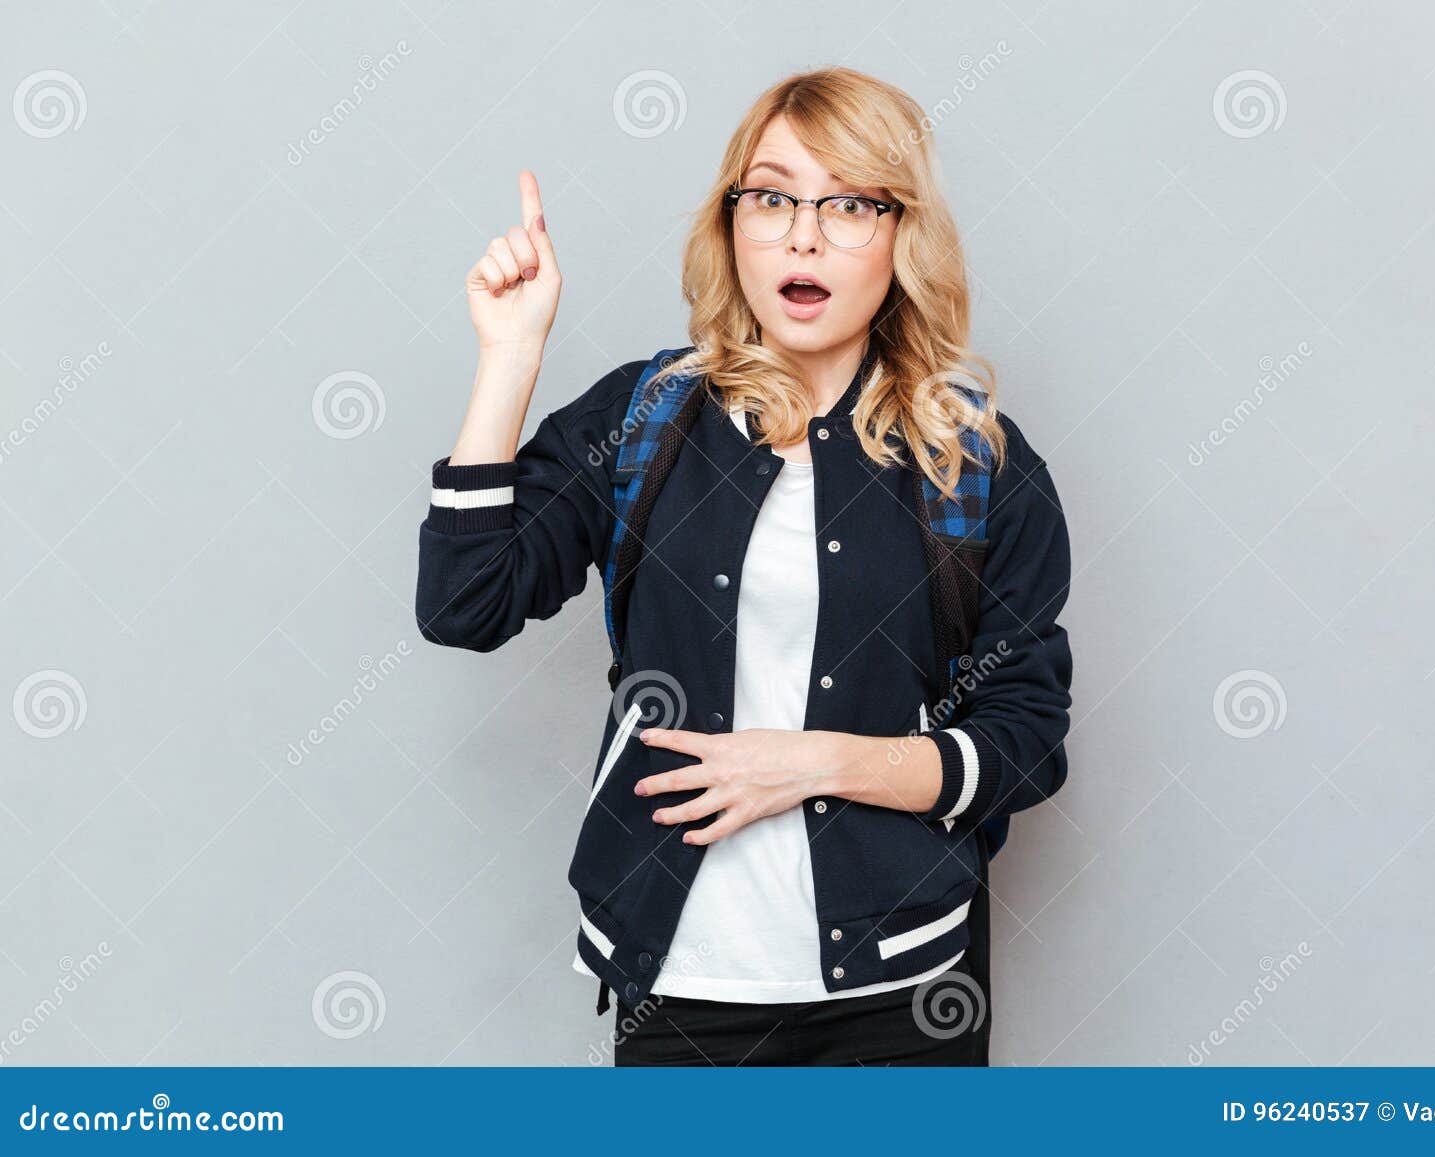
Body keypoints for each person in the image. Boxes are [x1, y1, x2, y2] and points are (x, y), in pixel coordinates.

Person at [416, 66, 1073, 1066]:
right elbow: (465, 603)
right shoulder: (642, 419)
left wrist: (818, 760)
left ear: (903, 232)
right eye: (771, 197)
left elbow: (1025, 740)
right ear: (732, 226)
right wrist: (509, 356)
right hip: (679, 979)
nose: (803, 235)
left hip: (903, 988)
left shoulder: (970, 459)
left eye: (848, 203)